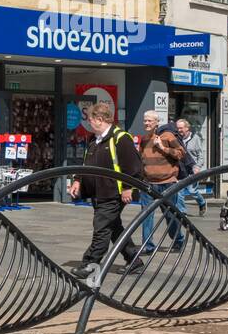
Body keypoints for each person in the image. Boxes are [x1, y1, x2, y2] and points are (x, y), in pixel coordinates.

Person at [68, 102, 145, 276]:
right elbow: (86, 164)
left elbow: (134, 167)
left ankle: (90, 264)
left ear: (100, 119)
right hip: (98, 193)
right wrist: (77, 180)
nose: (88, 123)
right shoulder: (94, 140)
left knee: (101, 228)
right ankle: (134, 260)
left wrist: (127, 188)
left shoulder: (120, 138)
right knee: (113, 227)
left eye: (90, 120)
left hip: (113, 194)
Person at [138, 111, 186, 253]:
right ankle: (148, 246)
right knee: (146, 216)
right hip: (148, 184)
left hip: (167, 183)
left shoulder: (167, 136)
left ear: (157, 123)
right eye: (145, 120)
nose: (146, 123)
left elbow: (181, 153)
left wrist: (162, 147)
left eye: (150, 121)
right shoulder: (144, 139)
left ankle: (178, 240)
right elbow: (142, 160)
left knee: (170, 215)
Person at [175, 118, 207, 216]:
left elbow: (200, 156)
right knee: (179, 191)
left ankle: (202, 203)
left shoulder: (195, 138)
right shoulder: (176, 139)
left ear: (187, 128)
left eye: (181, 128)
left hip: (192, 169)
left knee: (192, 191)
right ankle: (182, 212)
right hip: (180, 169)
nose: (179, 130)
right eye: (178, 128)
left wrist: (197, 167)